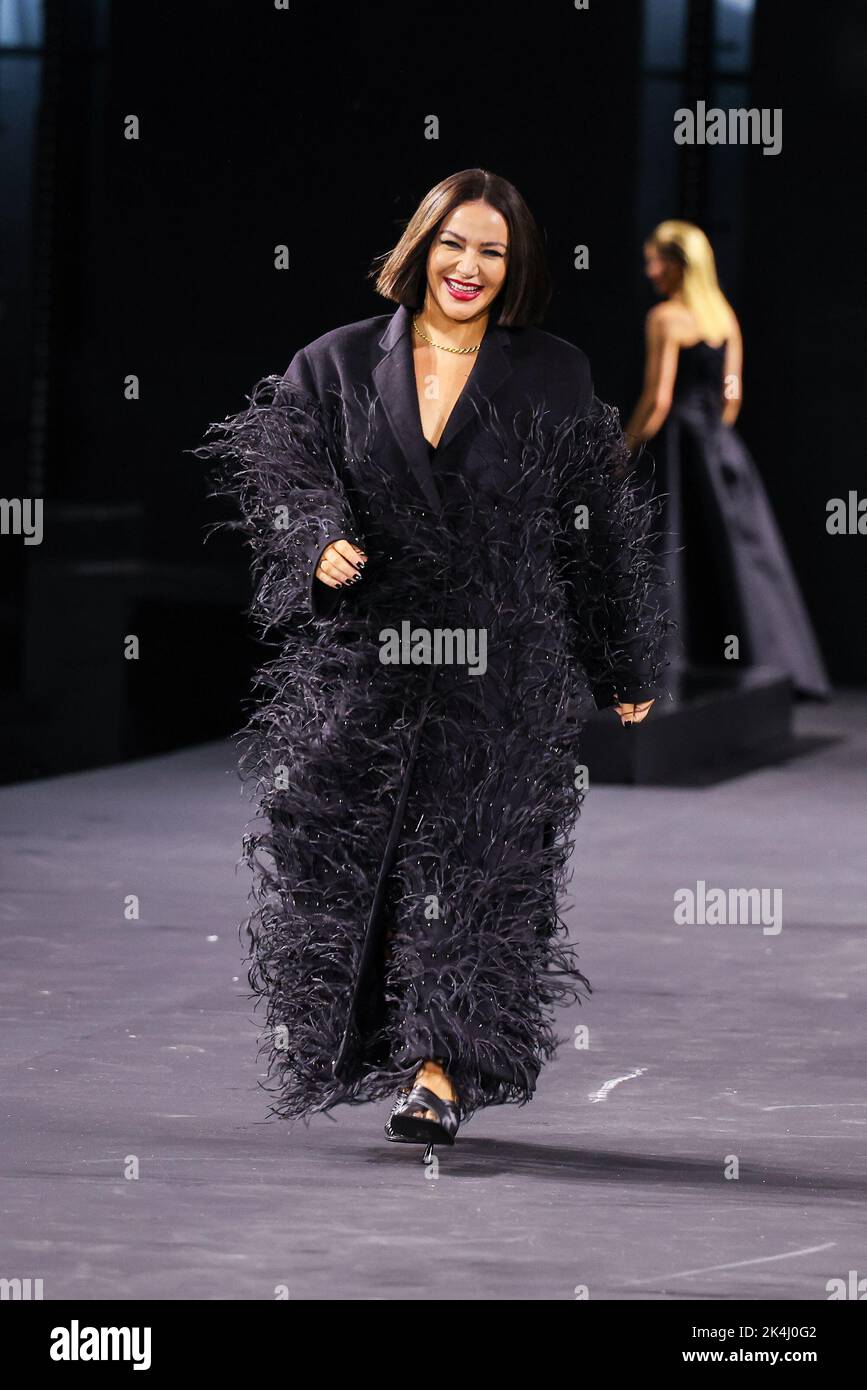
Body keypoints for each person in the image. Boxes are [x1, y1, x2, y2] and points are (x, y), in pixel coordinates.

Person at [198, 169, 668, 1152]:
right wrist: (317, 536)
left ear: (517, 266)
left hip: (501, 666)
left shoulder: (553, 374)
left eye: (493, 251)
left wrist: (620, 662)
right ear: (421, 247)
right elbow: (283, 469)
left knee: (484, 865)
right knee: (351, 865)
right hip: (369, 660)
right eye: (455, 244)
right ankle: (372, 1044)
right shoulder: (333, 364)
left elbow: (593, 528)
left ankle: (443, 1067)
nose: (470, 267)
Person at [625, 219, 830, 698]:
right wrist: (716, 440)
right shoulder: (724, 318)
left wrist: (624, 449)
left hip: (676, 446)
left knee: (665, 551)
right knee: (730, 554)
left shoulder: (666, 319)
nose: (650, 269)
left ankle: (657, 673)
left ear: (679, 265)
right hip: (717, 446)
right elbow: (732, 394)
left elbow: (656, 400)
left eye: (656, 259)